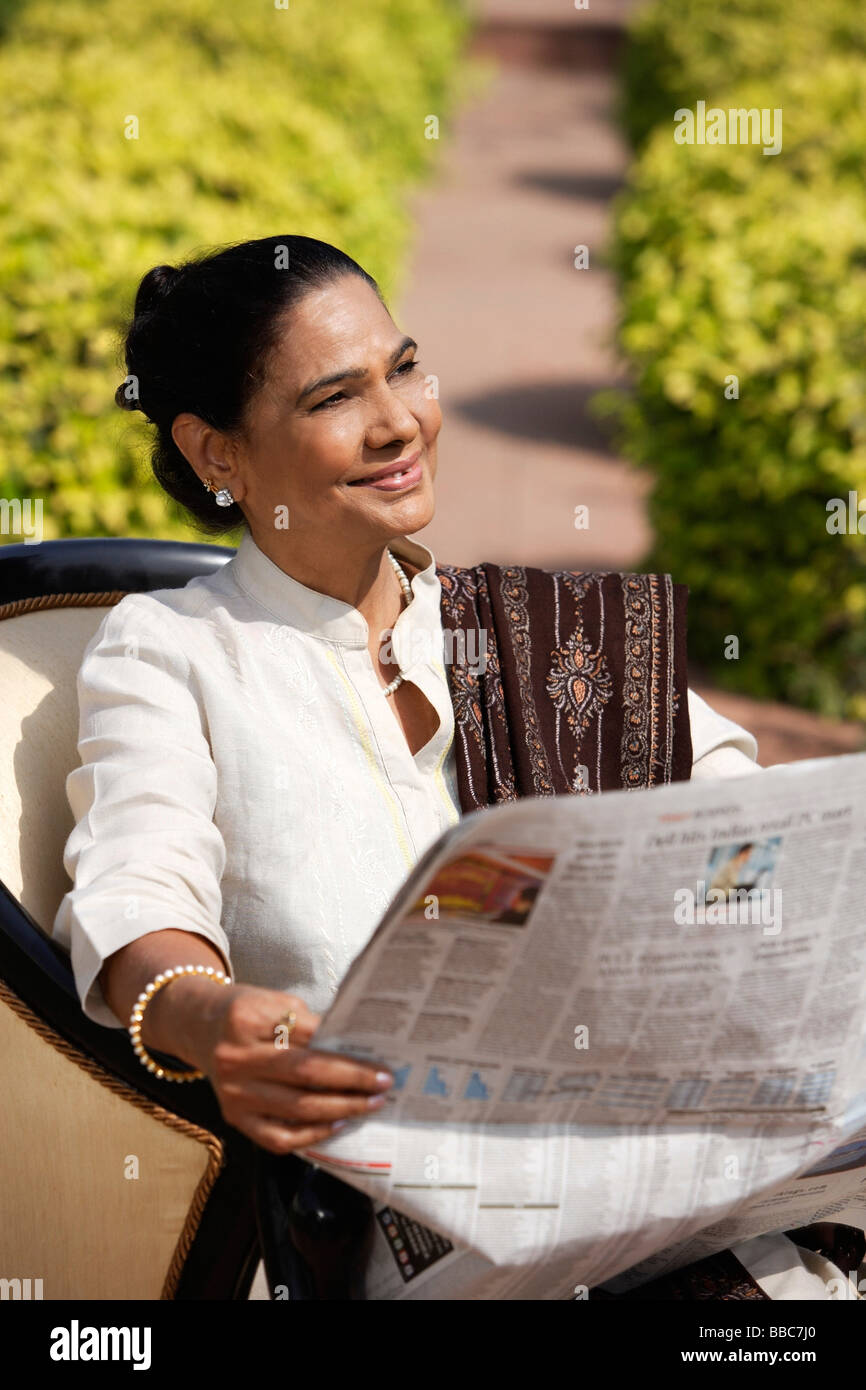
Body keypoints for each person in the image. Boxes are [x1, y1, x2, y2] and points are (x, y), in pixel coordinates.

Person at [57, 233, 831, 1299]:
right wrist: (208, 1017)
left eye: (404, 367)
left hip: (687, 1212)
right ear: (215, 453)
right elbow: (137, 896)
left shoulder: (545, 636)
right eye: (335, 396)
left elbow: (747, 828)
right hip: (439, 1247)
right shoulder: (174, 653)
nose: (399, 422)